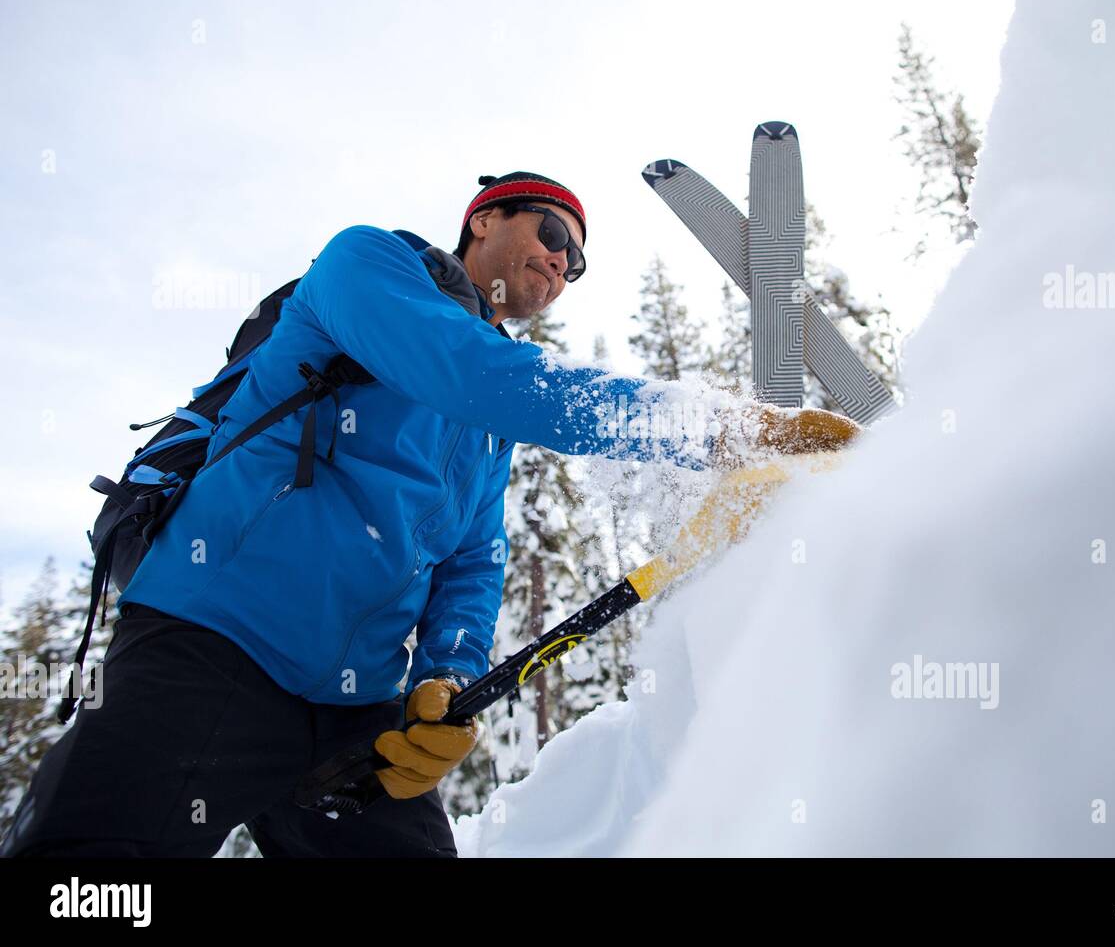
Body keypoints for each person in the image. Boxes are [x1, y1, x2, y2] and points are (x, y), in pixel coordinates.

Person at [1, 172, 858, 857]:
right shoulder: (366, 267)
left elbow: (474, 562)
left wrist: (443, 674)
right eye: (553, 233)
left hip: (354, 708)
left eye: (577, 261)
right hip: (212, 644)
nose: (561, 263)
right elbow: (476, 373)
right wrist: (728, 431)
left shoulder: (487, 431)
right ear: (483, 220)